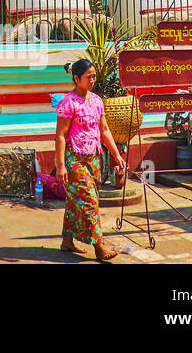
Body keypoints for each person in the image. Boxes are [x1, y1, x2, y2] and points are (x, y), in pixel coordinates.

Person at [55, 58, 126, 261]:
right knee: (89, 201)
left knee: (74, 200)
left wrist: (115, 153)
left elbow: (103, 130)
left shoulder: (96, 100)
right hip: (74, 159)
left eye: (94, 76)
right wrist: (61, 165)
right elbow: (60, 135)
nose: (92, 80)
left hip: (94, 158)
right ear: (76, 78)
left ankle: (67, 241)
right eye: (88, 77)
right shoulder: (68, 103)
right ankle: (99, 246)